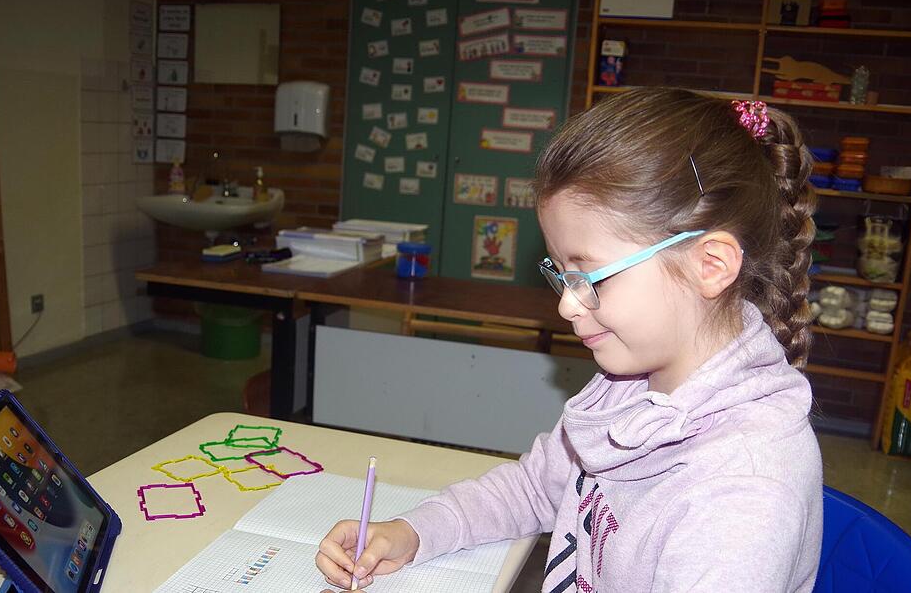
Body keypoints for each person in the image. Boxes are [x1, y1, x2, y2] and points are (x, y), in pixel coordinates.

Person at [317, 88, 824, 591]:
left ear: (709, 266)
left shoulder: (742, 496)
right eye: (561, 273)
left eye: (592, 276)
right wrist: (413, 532)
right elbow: (536, 488)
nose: (566, 304)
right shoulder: (631, 383)